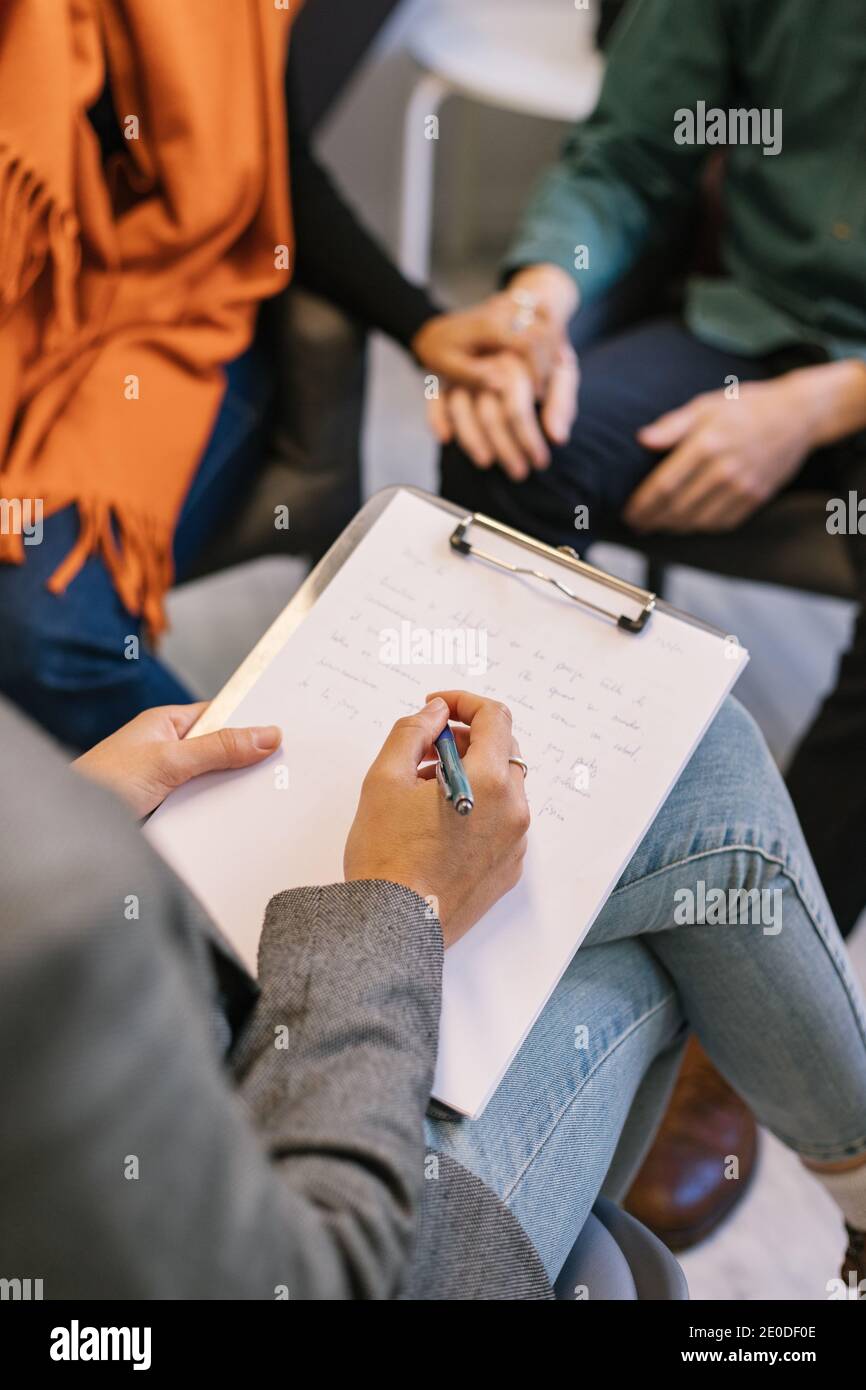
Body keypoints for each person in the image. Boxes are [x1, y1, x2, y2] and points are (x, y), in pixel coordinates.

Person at [433, 0, 866, 1247]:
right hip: (744, 320)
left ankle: (746, 1007)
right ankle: (521, 886)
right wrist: (535, 303)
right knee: (507, 448)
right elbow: (626, 149)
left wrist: (806, 412)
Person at [1, 687, 865, 1299]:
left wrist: (76, 807)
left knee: (690, 776)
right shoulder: (54, 937)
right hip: (335, 1241)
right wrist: (393, 903)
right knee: (693, 807)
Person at [0, 0, 554, 752]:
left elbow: (277, 164)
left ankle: (259, 825)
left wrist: (420, 323)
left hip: (170, 318)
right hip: (25, 317)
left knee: (51, 634)